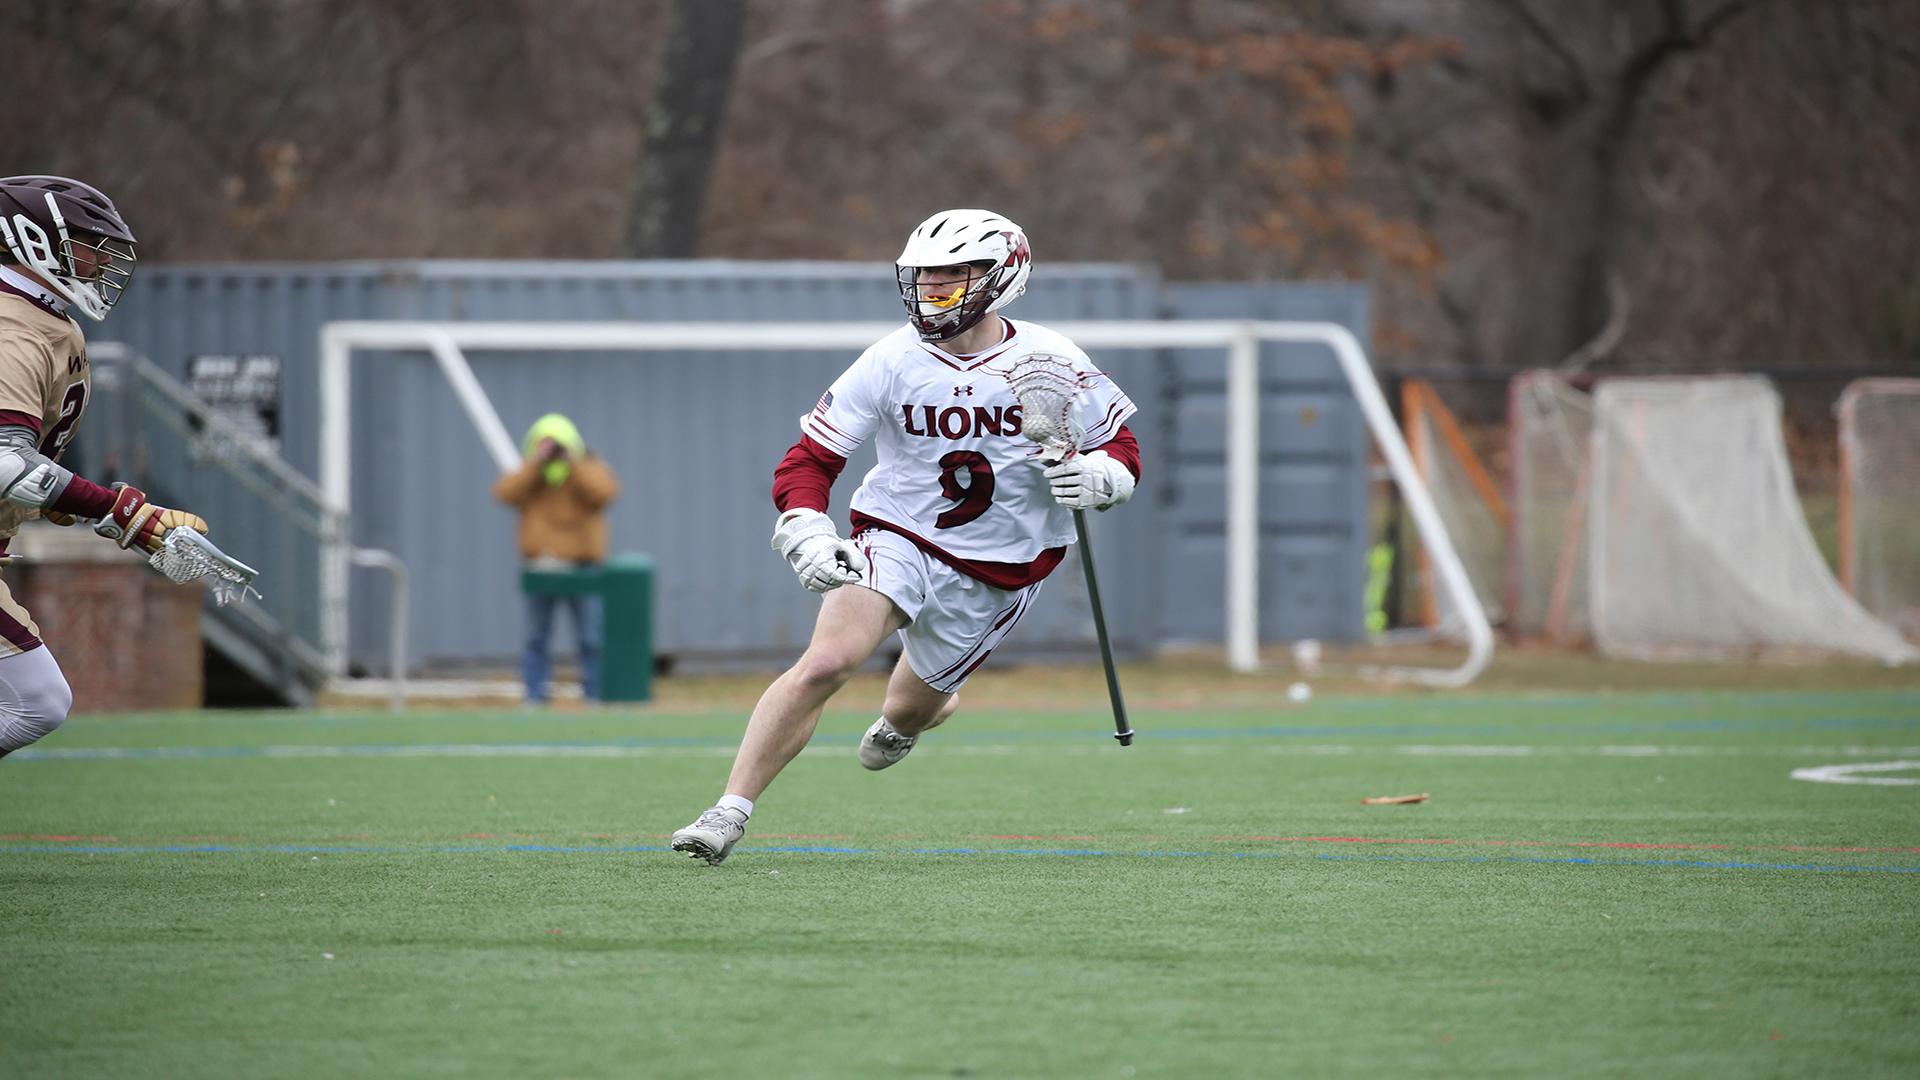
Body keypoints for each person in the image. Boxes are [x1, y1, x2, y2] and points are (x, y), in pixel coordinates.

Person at [670, 208, 1142, 864]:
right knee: (829, 662)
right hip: (900, 533)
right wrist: (804, 526)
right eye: (926, 279)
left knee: (911, 710)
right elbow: (811, 458)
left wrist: (1104, 477)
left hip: (1001, 565)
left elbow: (1117, 445)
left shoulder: (1050, 359)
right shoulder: (891, 360)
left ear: (1001, 278)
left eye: (952, 278)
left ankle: (909, 721)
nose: (932, 292)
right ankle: (726, 813)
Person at [0, 175, 213, 760]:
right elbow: (3, 463)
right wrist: (121, 512)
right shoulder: (12, 325)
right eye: (85, 242)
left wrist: (61, 501)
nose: (98, 261)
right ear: (28, 240)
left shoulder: (37, 316)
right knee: (37, 700)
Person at [493, 413, 620, 704]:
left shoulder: (588, 468)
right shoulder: (532, 475)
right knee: (536, 637)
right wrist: (537, 464)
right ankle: (535, 695)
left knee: (591, 636)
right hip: (542, 568)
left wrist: (573, 463)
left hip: (583, 567)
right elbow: (504, 492)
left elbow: (606, 492)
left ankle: (595, 694)